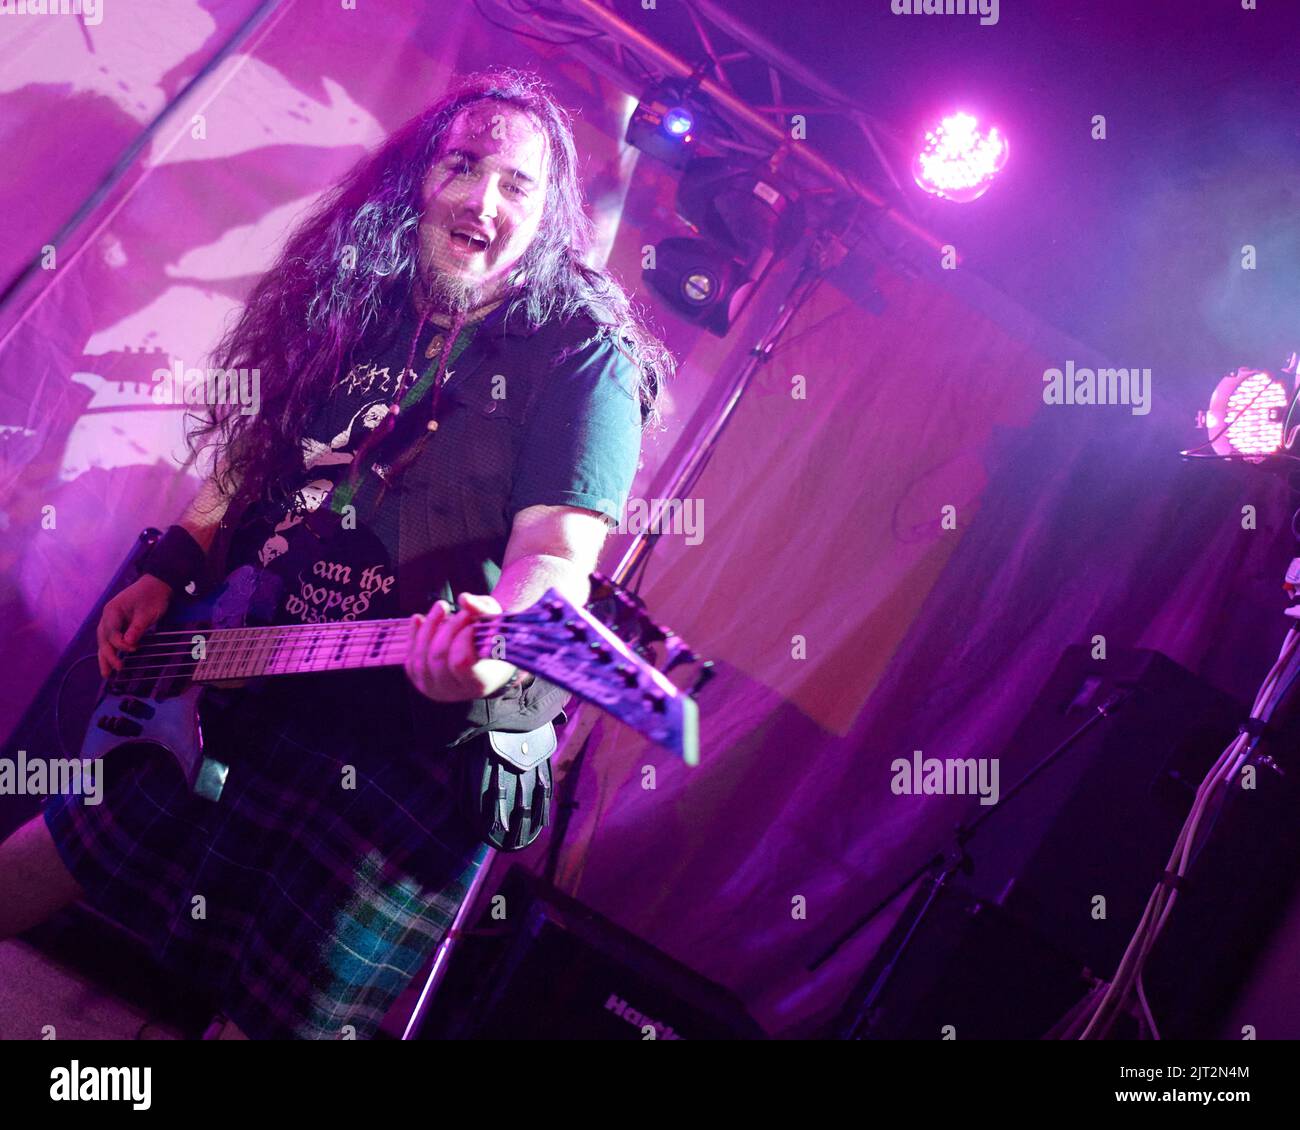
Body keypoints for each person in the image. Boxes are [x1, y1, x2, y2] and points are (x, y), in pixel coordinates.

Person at [0, 69, 671, 1040]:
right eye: (463, 165)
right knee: (63, 841)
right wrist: (173, 564)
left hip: (396, 740)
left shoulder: (576, 349)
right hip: (237, 663)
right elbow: (254, 463)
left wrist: (494, 639)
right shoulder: (361, 297)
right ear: (418, 182)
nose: (484, 198)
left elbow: (558, 553)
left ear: (548, 212)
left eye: (517, 184)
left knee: (277, 1013)